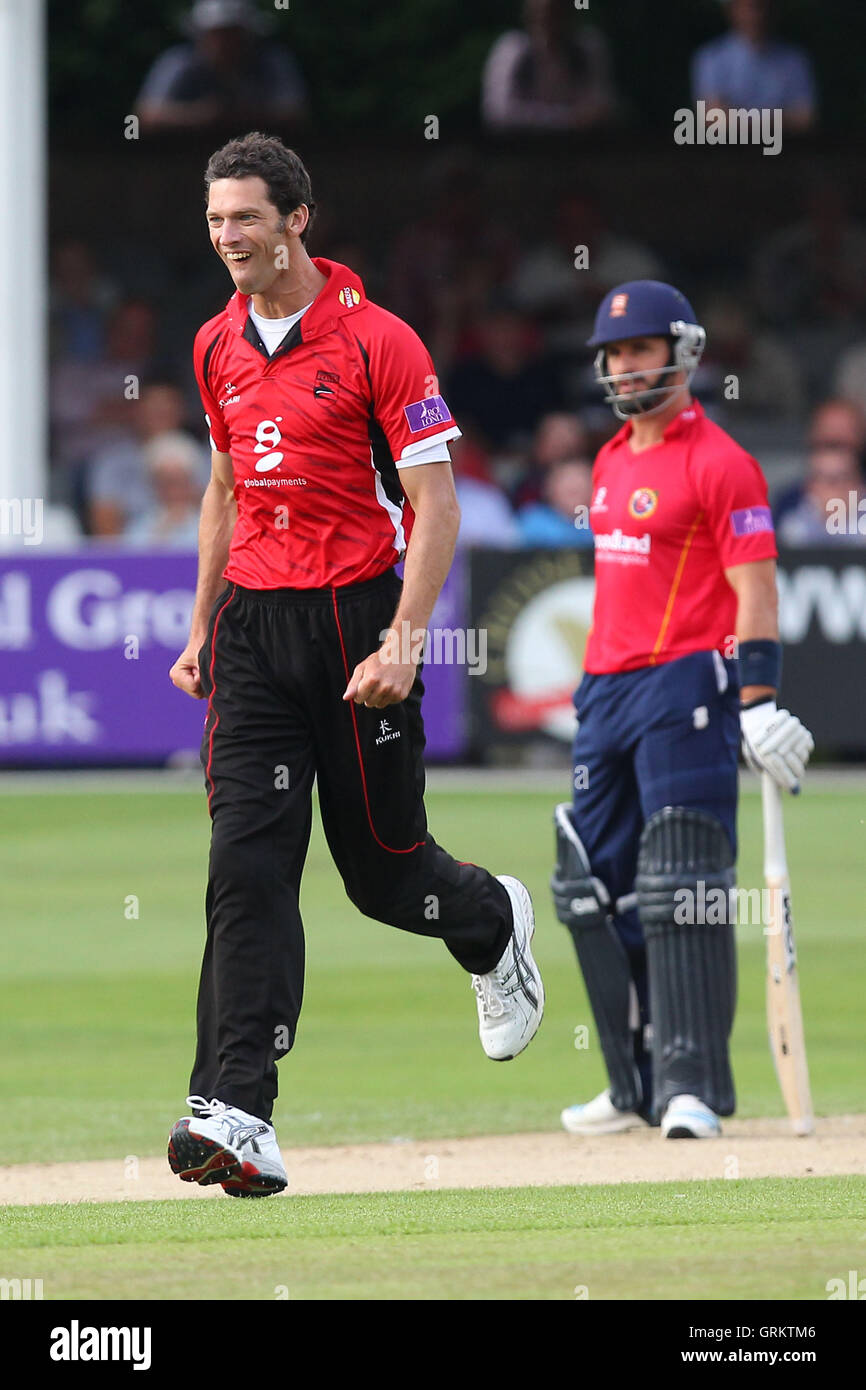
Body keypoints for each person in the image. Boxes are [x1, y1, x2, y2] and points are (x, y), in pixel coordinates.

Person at [166, 132, 544, 1197]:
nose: (227, 237)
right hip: (252, 630)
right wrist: (200, 626)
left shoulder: (380, 341)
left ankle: (490, 921)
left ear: (296, 219)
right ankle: (237, 1109)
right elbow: (224, 488)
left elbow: (436, 504)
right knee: (245, 867)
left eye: (244, 216)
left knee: (382, 873)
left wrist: (404, 637)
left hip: (355, 619)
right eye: (213, 220)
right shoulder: (213, 346)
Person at [550, 280, 813, 1140]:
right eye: (615, 354)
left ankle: (692, 1085)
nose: (627, 367)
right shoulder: (610, 458)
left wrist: (760, 700)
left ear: (683, 353)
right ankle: (630, 1084)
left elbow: (756, 590)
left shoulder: (724, 462)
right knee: (592, 883)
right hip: (606, 689)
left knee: (684, 882)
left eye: (642, 350)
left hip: (686, 685)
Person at [135, 0, 307, 134]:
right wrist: (200, 115)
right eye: (218, 34)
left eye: (233, 34)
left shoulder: (273, 61)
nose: (225, 43)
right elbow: (146, 116)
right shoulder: (179, 62)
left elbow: (295, 113)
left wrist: (245, 115)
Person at [691, 0, 817, 133]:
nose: (757, 15)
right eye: (750, 7)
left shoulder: (795, 60)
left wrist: (737, 118)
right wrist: (779, 120)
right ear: (732, 10)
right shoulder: (710, 58)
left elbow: (806, 119)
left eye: (762, 7)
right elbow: (713, 118)